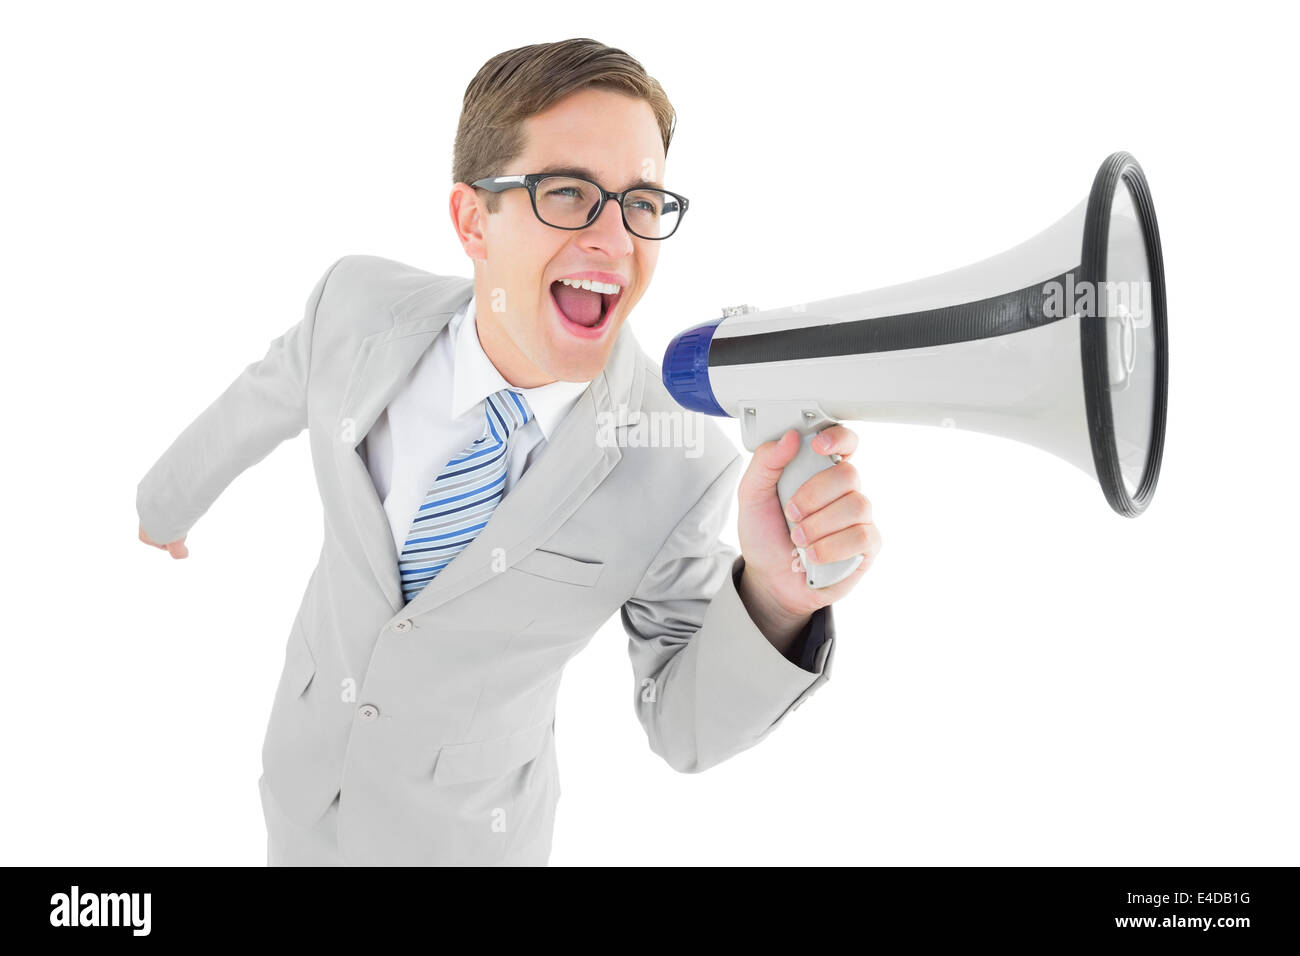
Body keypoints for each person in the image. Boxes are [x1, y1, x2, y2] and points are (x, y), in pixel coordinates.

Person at [137, 37, 882, 866]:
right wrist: (161, 506)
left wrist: (778, 597)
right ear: (471, 219)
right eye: (568, 192)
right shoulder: (354, 307)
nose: (614, 238)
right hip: (302, 786)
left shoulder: (675, 463)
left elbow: (684, 727)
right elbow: (257, 401)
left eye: (641, 202)